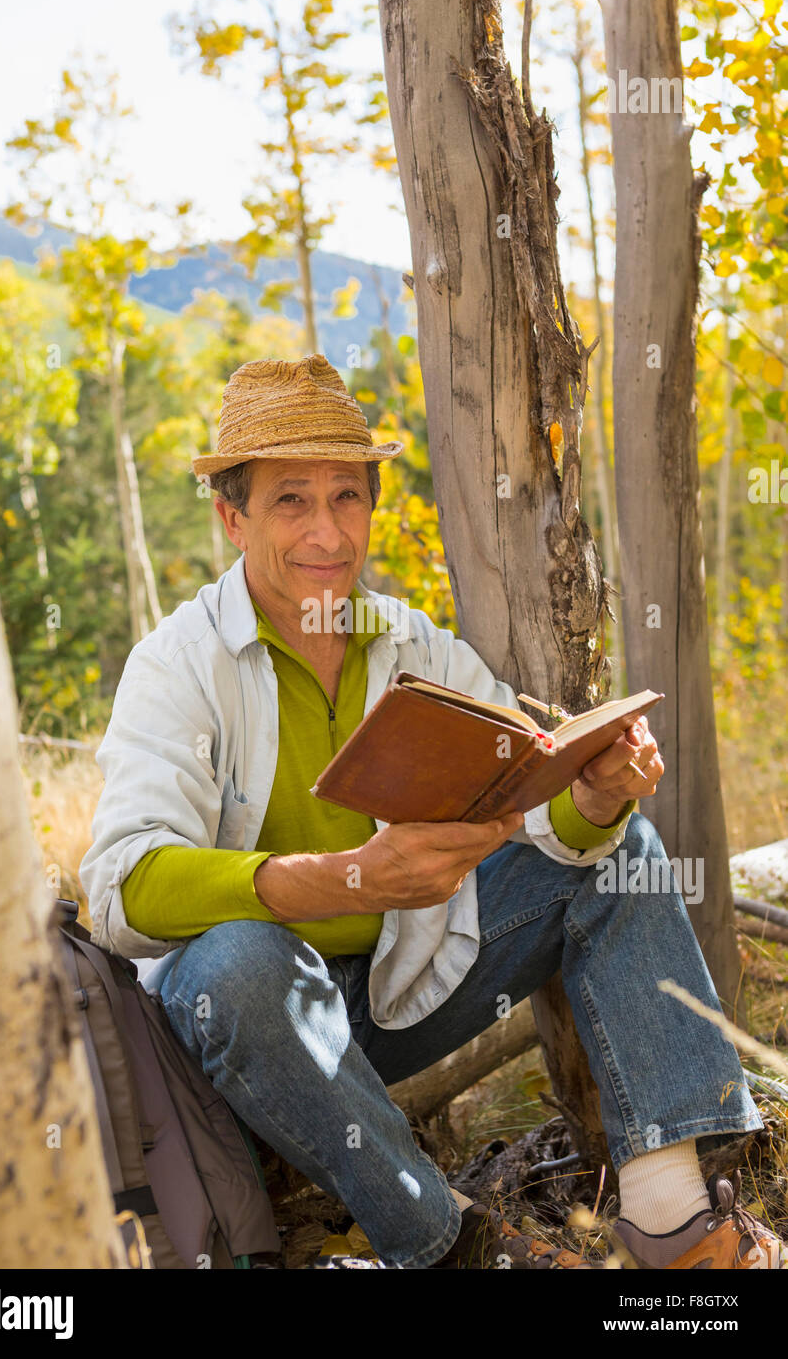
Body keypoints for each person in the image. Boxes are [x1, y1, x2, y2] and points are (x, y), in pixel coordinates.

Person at [80, 353, 784, 1270]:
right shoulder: (178, 663)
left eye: (347, 496)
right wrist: (346, 880)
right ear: (232, 518)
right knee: (241, 959)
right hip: (243, 1030)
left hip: (393, 997)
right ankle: (457, 1247)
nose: (327, 531)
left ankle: (673, 1220)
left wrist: (595, 796)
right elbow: (122, 891)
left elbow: (536, 817)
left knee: (625, 850)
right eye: (291, 500)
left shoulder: (413, 646)